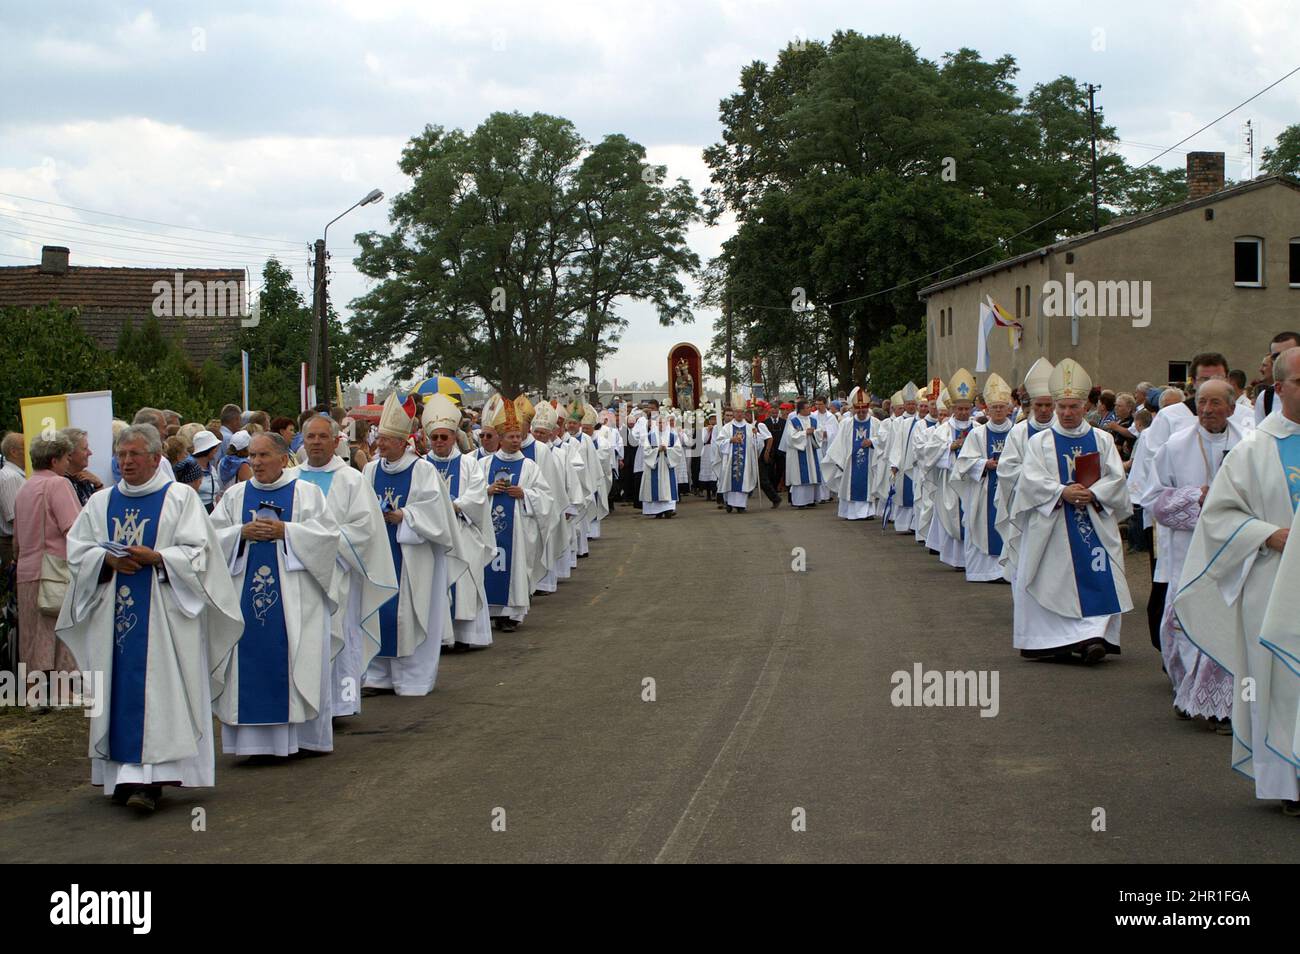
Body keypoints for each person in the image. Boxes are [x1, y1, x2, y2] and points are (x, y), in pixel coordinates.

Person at [56, 424, 243, 813]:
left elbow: (200, 554)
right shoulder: (101, 502)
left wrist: (158, 558)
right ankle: (123, 776)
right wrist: (105, 559)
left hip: (166, 617)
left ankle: (152, 779)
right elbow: (77, 550)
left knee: (159, 695)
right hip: (112, 618)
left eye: (135, 455)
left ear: (157, 458)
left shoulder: (179, 499)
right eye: (121, 455)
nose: (126, 462)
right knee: (117, 691)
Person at [1173, 345, 1300, 813]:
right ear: (1280, 388)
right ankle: (1290, 782)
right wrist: (1269, 535)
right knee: (1281, 683)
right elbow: (1219, 518)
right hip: (1271, 586)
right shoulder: (1253, 450)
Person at [211, 433, 339, 758]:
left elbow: (327, 538)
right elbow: (208, 540)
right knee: (247, 659)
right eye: (251, 456)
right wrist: (239, 533)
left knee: (294, 658)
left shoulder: (307, 494)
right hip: (243, 597)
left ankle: (300, 740)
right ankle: (251, 745)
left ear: (283, 459)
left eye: (263, 455)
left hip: (295, 600)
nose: (255, 462)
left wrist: (288, 532)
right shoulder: (235, 495)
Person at [1009, 359, 1132, 664]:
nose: (1066, 413)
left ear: (1084, 406)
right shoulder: (1040, 442)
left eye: (1073, 407)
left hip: (1093, 520)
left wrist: (1094, 493)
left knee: (1099, 575)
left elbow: (1116, 478)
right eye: (1061, 407)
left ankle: (1093, 637)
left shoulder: (1102, 440)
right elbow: (1030, 480)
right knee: (1054, 580)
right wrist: (1060, 491)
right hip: (1053, 524)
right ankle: (1053, 638)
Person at [1143, 379, 1239, 727]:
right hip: (1188, 554)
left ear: (1231, 406)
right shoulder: (1175, 446)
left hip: (1235, 554)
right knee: (1184, 627)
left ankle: (1224, 708)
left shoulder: (1249, 444)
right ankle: (1187, 694)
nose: (1208, 410)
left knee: (1227, 628)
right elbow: (1153, 500)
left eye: (1216, 403)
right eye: (1202, 402)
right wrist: (1194, 497)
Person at [296, 413, 398, 716]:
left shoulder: (351, 479)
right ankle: (308, 703)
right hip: (299, 576)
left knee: (341, 635)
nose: (315, 442)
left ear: (335, 440)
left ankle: (341, 704)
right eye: (310, 437)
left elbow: (365, 530)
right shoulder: (290, 478)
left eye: (322, 436)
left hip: (339, 573)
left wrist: (322, 542)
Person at [364, 393, 465, 687]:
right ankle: (378, 677)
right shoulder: (370, 470)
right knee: (377, 611)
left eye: (386, 439)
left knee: (410, 615)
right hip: (379, 553)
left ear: (402, 442)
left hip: (412, 556)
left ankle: (413, 679)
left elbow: (437, 513)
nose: (379, 444)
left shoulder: (422, 469)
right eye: (379, 438)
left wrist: (406, 516)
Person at [422, 395, 494, 650]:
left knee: (463, 583)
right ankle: (441, 637)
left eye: (444, 437)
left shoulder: (467, 463)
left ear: (454, 437)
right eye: (435, 438)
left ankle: (466, 636)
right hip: (431, 536)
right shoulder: (421, 465)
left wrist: (454, 506)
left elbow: (477, 495)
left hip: (462, 532)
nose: (439, 442)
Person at [14, 433, 82, 686]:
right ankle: (60, 689)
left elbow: (17, 539)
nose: (68, 463)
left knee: (32, 634)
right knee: (57, 632)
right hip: (55, 569)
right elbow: (73, 528)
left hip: (27, 570)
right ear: (55, 460)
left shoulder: (25, 487)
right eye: (66, 458)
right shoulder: (58, 484)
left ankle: (34, 691)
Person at [479, 394, 552, 630]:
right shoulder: (484, 465)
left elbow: (545, 497)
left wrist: (525, 495)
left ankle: (511, 614)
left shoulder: (529, 466)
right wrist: (487, 490)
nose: (515, 441)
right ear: (500, 438)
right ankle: (491, 612)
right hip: (490, 529)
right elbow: (471, 493)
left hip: (519, 529)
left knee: (516, 567)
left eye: (518, 436)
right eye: (510, 437)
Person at [994, 359, 1055, 586]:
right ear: (1031, 404)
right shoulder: (1018, 432)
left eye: (1048, 405)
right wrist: (1042, 480)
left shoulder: (1069, 433)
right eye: (1039, 405)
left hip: (1058, 510)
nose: (1043, 410)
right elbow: (1007, 469)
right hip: (1027, 509)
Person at [955, 373, 1015, 581]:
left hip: (1010, 491)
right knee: (982, 526)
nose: (998, 410)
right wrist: (983, 464)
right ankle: (984, 572)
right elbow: (963, 463)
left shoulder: (1017, 432)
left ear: (1009, 408)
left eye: (1002, 407)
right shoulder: (977, 434)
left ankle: (1007, 571)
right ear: (987, 410)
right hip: (984, 490)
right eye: (994, 407)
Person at [920, 370, 977, 570]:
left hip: (973, 482)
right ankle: (957, 559)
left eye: (966, 408)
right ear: (952, 408)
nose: (963, 412)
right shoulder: (943, 429)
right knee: (953, 519)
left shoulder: (978, 428)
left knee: (974, 518)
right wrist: (950, 447)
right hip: (950, 481)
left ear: (971, 408)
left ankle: (972, 559)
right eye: (959, 409)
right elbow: (929, 453)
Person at [824, 387, 888, 520]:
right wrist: (838, 459)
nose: (861, 411)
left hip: (870, 461)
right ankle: (851, 513)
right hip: (850, 463)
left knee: (867, 485)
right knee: (849, 485)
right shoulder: (846, 423)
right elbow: (839, 443)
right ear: (853, 408)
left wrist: (872, 441)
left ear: (868, 407)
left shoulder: (875, 423)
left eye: (863, 408)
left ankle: (867, 513)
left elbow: (884, 439)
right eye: (858, 408)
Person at [778, 399, 824, 508]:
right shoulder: (793, 421)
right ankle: (800, 502)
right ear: (801, 410)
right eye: (807, 408)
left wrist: (814, 433)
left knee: (812, 476)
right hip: (797, 454)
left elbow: (820, 432)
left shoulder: (813, 420)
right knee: (799, 477)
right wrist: (805, 433)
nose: (810, 409)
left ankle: (811, 500)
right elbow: (790, 437)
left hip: (810, 451)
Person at [639, 408, 685, 518]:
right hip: (654, 466)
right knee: (654, 487)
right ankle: (657, 511)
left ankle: (668, 509)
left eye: (663, 422)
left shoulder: (673, 436)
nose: (661, 424)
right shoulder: (650, 437)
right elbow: (646, 451)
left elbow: (678, 451)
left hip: (666, 466)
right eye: (659, 422)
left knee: (667, 487)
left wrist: (667, 450)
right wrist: (657, 450)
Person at [1254, 331, 1300, 424]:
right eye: (1276, 356)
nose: (1282, 360)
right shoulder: (1266, 397)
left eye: (1289, 353)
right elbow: (1261, 436)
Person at [0, 432, 27, 569]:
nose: (29, 449)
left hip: (18, 542)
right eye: (25, 446)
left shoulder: (16, 475)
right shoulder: (9, 477)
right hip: (14, 545)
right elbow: (14, 517)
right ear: (14, 452)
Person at [60, 428, 104, 506]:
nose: (90, 453)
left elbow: (102, 508)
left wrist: (98, 484)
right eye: (85, 449)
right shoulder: (62, 484)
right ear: (69, 454)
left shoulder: (84, 478)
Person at [191, 430, 221, 512]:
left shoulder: (212, 469)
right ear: (207, 449)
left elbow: (216, 495)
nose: (216, 450)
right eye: (214, 447)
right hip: (197, 513)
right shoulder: (189, 470)